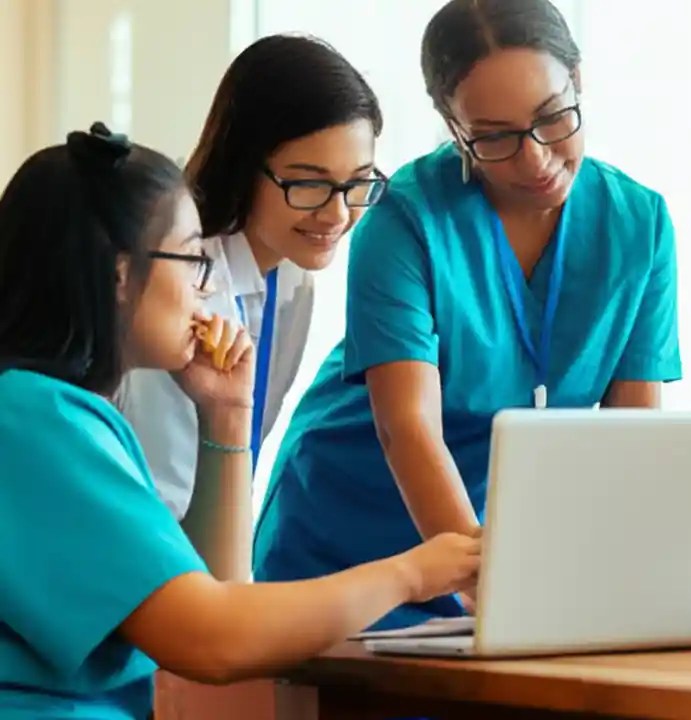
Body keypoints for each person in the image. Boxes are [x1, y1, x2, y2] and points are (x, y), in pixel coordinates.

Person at [0, 123, 479, 719]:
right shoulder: (34, 419)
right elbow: (212, 641)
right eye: (192, 259)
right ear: (120, 274)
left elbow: (220, 593)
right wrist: (411, 574)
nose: (203, 291)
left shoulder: (49, 414)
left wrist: (226, 415)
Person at [252, 0, 682, 630]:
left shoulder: (639, 224)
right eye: (495, 137)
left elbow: (628, 445)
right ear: (453, 127)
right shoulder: (403, 219)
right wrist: (498, 590)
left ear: (578, 80)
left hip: (496, 550)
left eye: (552, 118)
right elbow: (408, 428)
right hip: (347, 541)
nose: (535, 159)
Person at [115, 34, 386, 540]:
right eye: (309, 183)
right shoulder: (181, 286)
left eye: (357, 183)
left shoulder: (294, 277)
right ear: (243, 165)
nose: (337, 214)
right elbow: (167, 504)